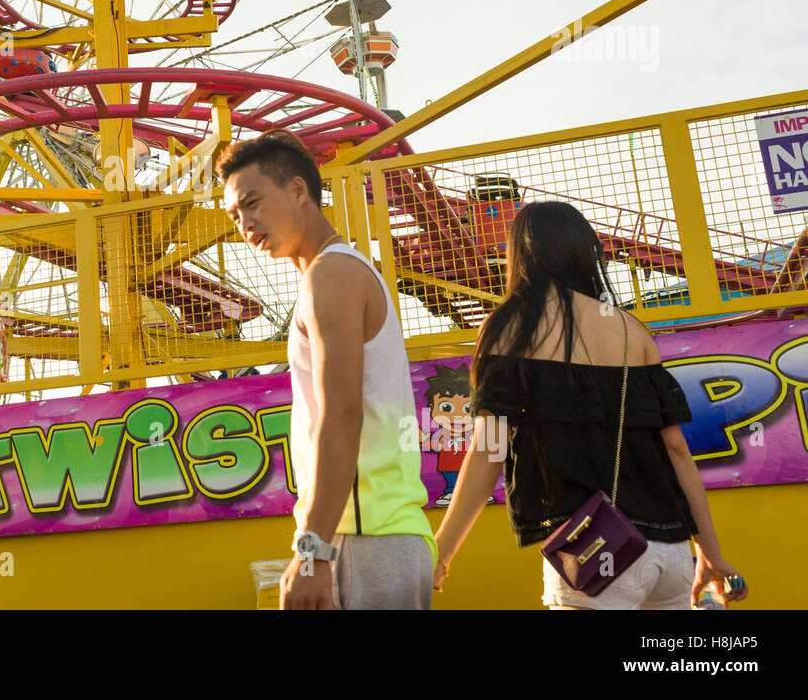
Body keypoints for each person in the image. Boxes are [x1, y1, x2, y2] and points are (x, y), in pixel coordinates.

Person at [432, 201, 747, 609]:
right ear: (585, 252)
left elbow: (490, 450)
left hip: (596, 550)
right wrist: (711, 552)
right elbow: (675, 451)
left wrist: (443, 551)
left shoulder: (512, 328)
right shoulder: (633, 331)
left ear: (521, 254)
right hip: (671, 554)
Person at [217, 131, 435, 610]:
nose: (245, 223)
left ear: (299, 191)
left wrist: (313, 551)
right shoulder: (343, 268)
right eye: (235, 215)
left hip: (361, 537)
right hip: (377, 535)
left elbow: (341, 415)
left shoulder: (330, 274)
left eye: (253, 203)